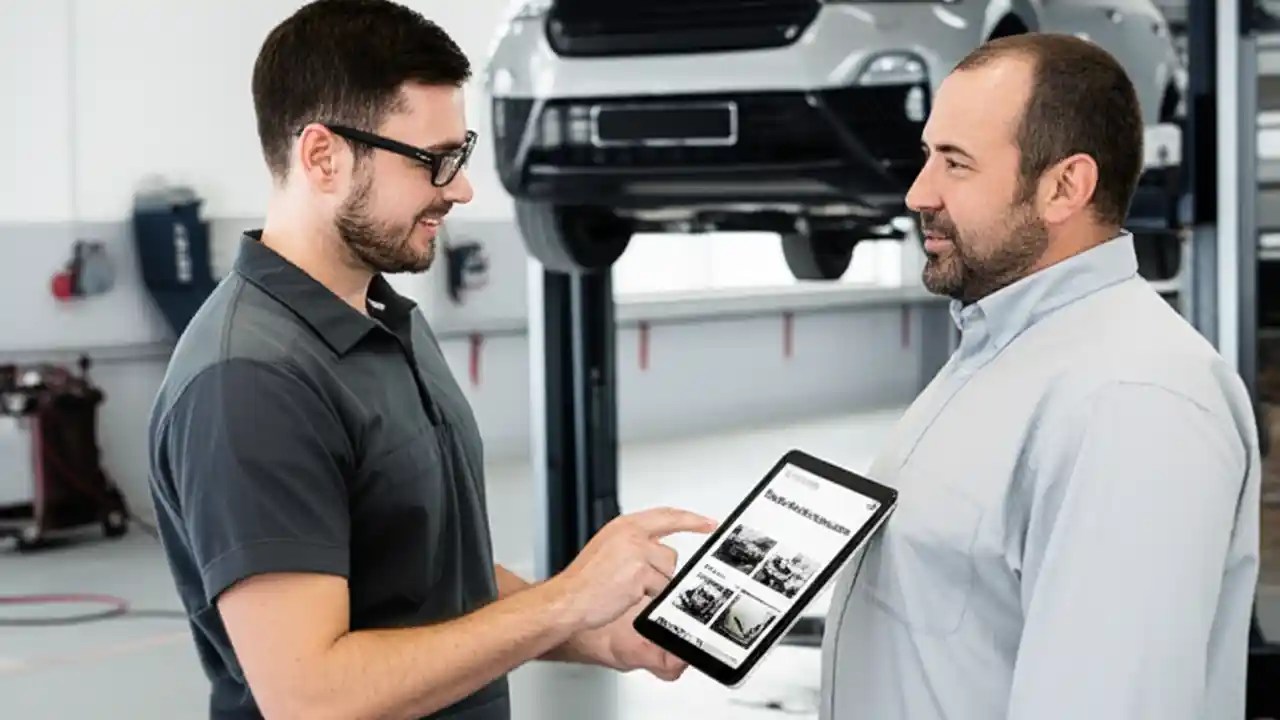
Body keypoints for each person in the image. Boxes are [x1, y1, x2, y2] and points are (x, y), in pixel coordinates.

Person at [146, 2, 716, 718]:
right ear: (323, 156)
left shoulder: (384, 320)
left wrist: (594, 632)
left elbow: (434, 585)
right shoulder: (252, 380)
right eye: (433, 161)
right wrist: (567, 600)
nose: (461, 188)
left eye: (461, 154)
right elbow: (311, 698)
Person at [820, 33, 1261, 719]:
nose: (917, 193)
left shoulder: (1133, 401)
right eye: (926, 156)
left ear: (1065, 187)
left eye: (956, 164)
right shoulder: (1000, 351)